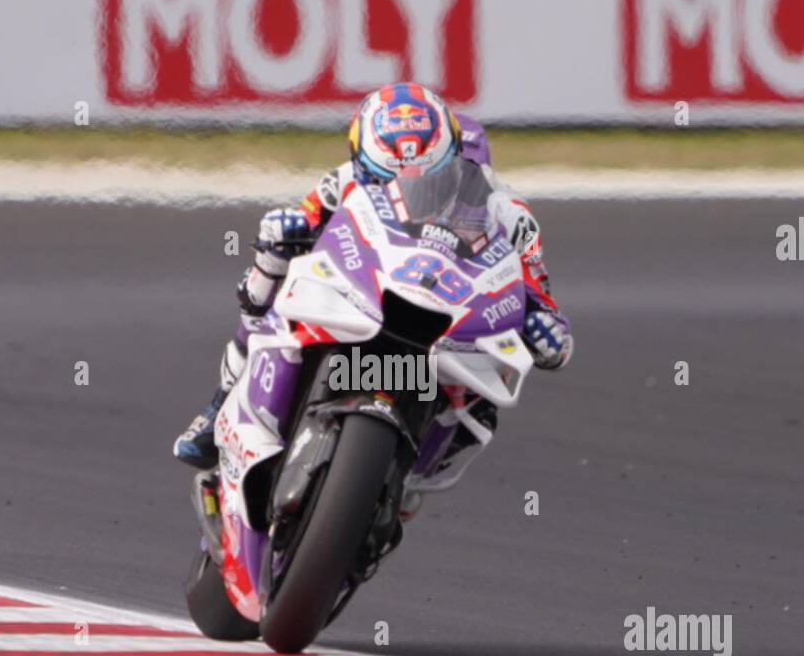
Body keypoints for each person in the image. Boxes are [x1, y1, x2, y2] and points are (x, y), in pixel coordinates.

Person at [174, 82, 573, 469]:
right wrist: (280, 237)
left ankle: (409, 473)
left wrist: (547, 327)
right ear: (360, 158)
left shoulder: (507, 211)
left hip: (448, 317)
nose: (402, 186)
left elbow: (540, 293)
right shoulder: (342, 180)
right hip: (362, 288)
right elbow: (300, 224)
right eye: (381, 177)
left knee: (485, 402)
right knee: (274, 266)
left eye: (424, 176)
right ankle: (220, 405)